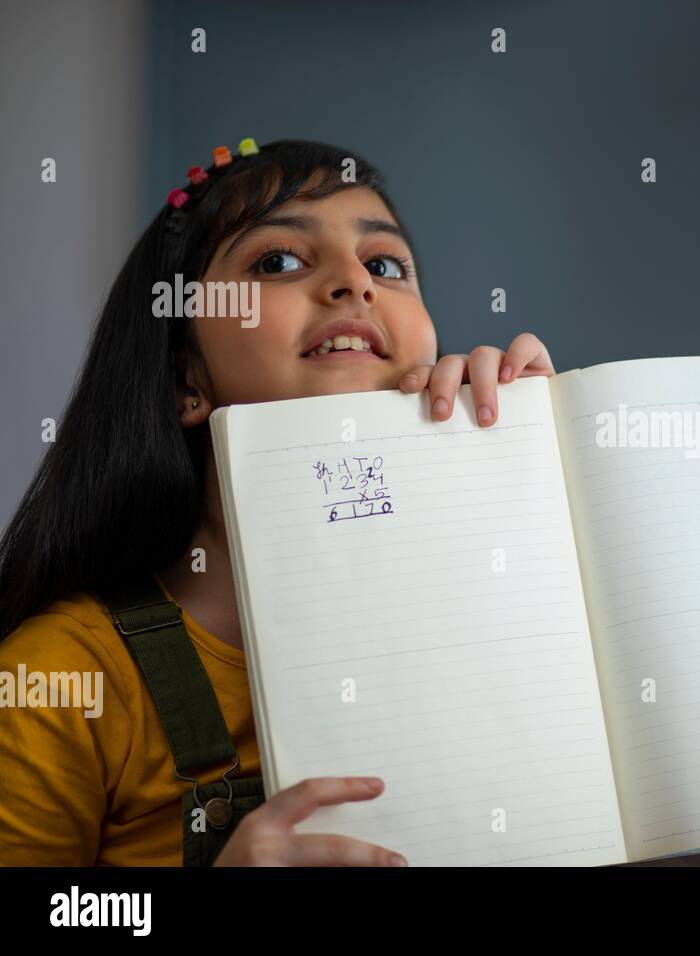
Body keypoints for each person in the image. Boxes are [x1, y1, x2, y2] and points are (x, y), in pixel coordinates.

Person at [0, 138, 555, 865]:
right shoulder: (55, 681)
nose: (355, 283)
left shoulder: (486, 602)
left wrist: (531, 469)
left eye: (385, 265)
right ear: (183, 380)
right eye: (279, 261)